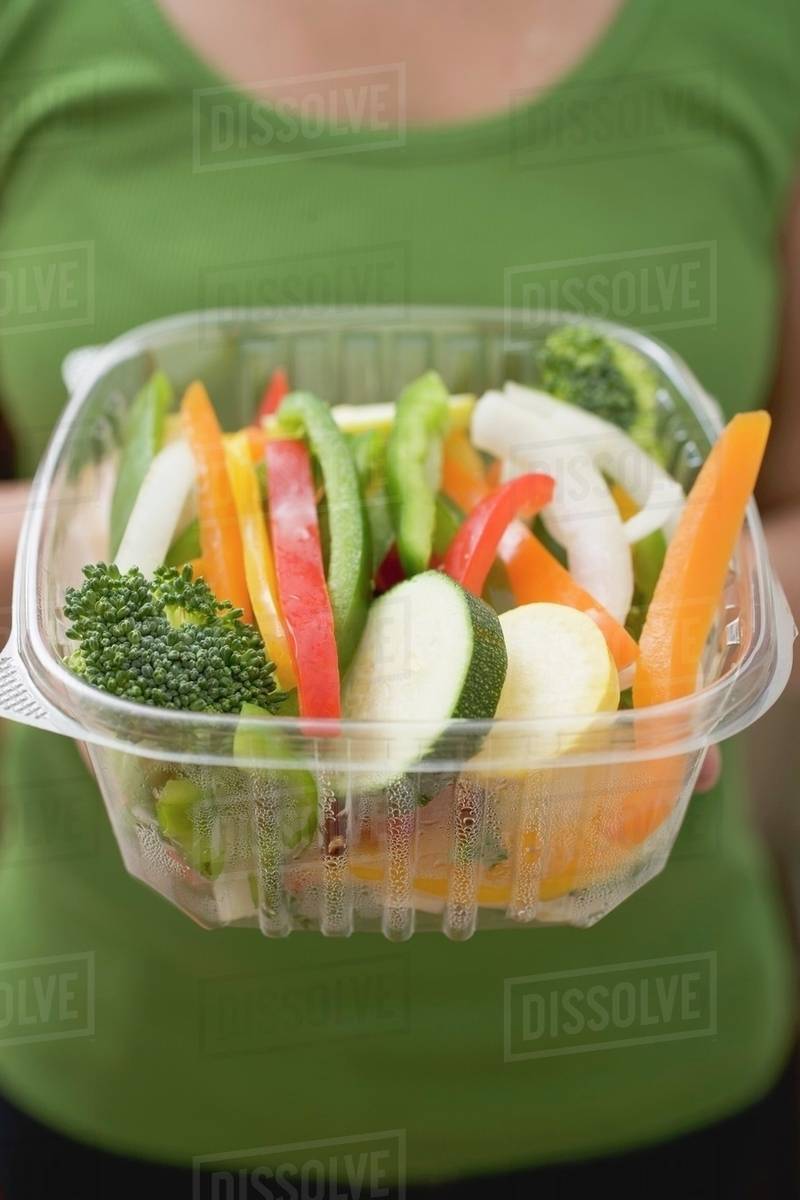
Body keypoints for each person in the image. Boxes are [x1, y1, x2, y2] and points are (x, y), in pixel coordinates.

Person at [0, 1, 798, 1196]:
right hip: (125, 1073)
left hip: (651, 1076)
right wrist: (53, 554)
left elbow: (775, 503)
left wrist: (671, 668)